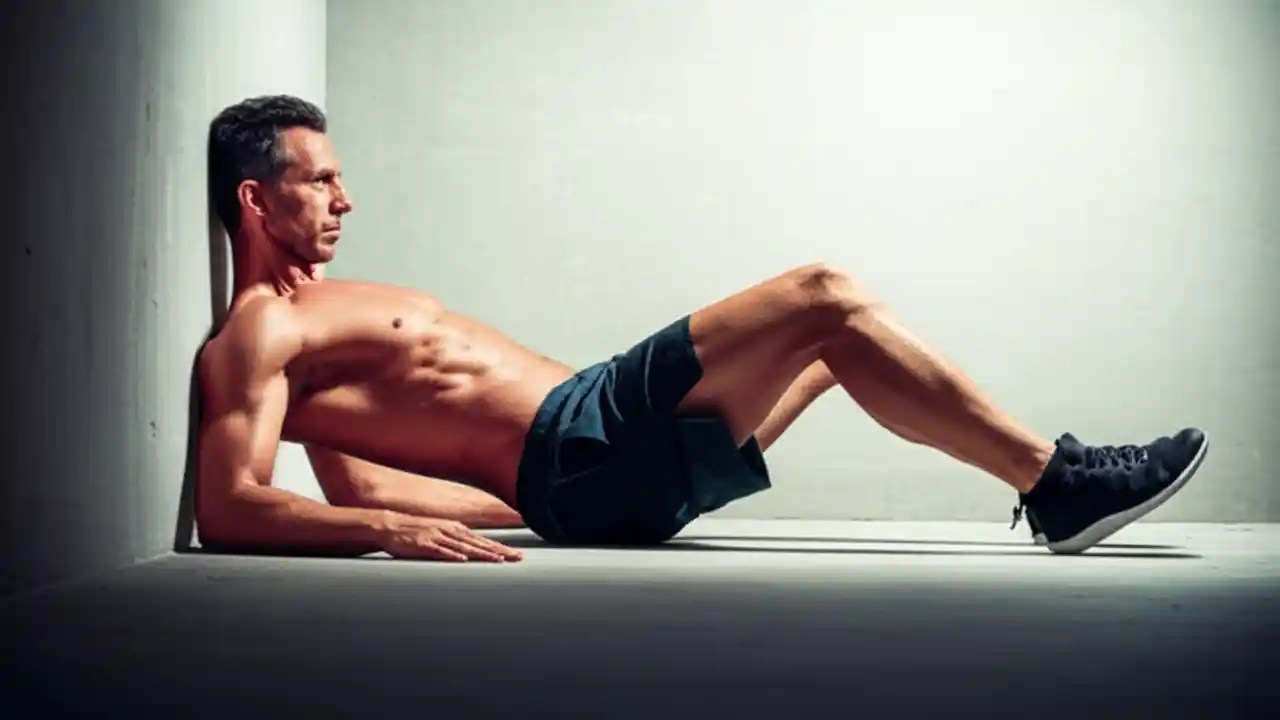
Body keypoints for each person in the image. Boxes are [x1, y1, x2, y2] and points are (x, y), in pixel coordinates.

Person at [195, 94, 1209, 563]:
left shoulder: (317, 326)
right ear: (254, 198)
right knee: (823, 289)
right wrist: (385, 532)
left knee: (836, 344)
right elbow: (233, 506)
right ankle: (1055, 481)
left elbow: (363, 475)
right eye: (319, 178)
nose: (344, 198)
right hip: (582, 438)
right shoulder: (257, 334)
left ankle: (1051, 488)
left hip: (586, 463)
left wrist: (519, 508)